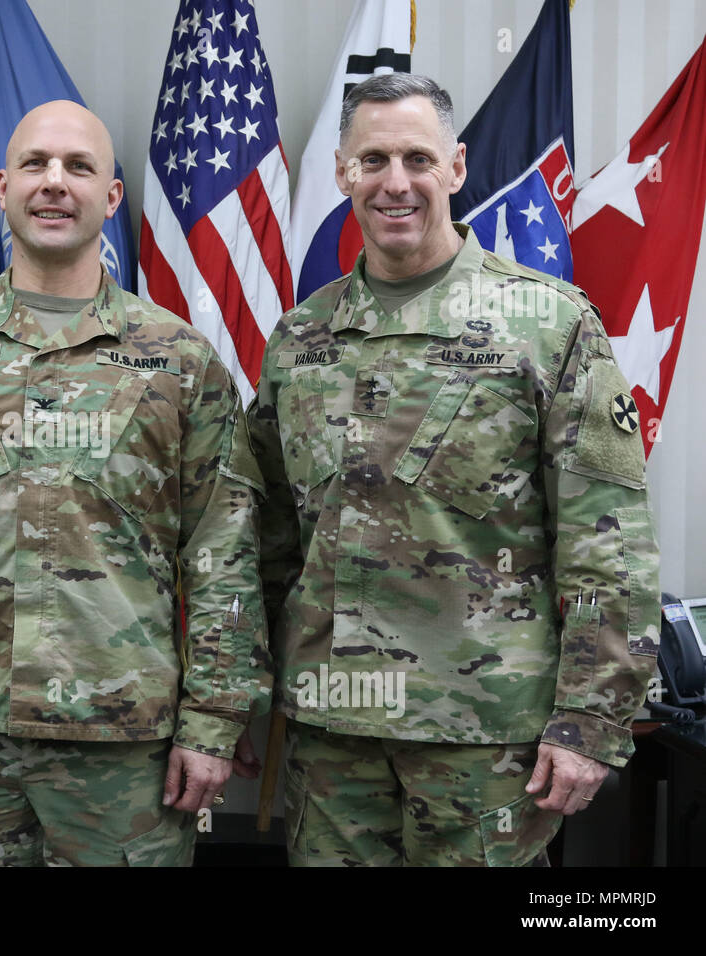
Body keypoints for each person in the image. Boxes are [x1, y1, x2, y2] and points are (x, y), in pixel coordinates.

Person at [0, 100, 270, 867]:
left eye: (78, 167)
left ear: (111, 196)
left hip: (125, 745)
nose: (54, 183)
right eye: (35, 165)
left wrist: (213, 722)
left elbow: (222, 552)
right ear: (3, 186)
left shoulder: (180, 358)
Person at [247, 73, 660, 866]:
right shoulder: (302, 337)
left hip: (485, 738)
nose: (394, 182)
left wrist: (592, 722)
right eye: (372, 160)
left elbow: (608, 543)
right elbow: (267, 540)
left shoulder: (549, 324)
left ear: (456, 167)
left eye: (416, 158)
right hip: (332, 733)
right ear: (342, 172)